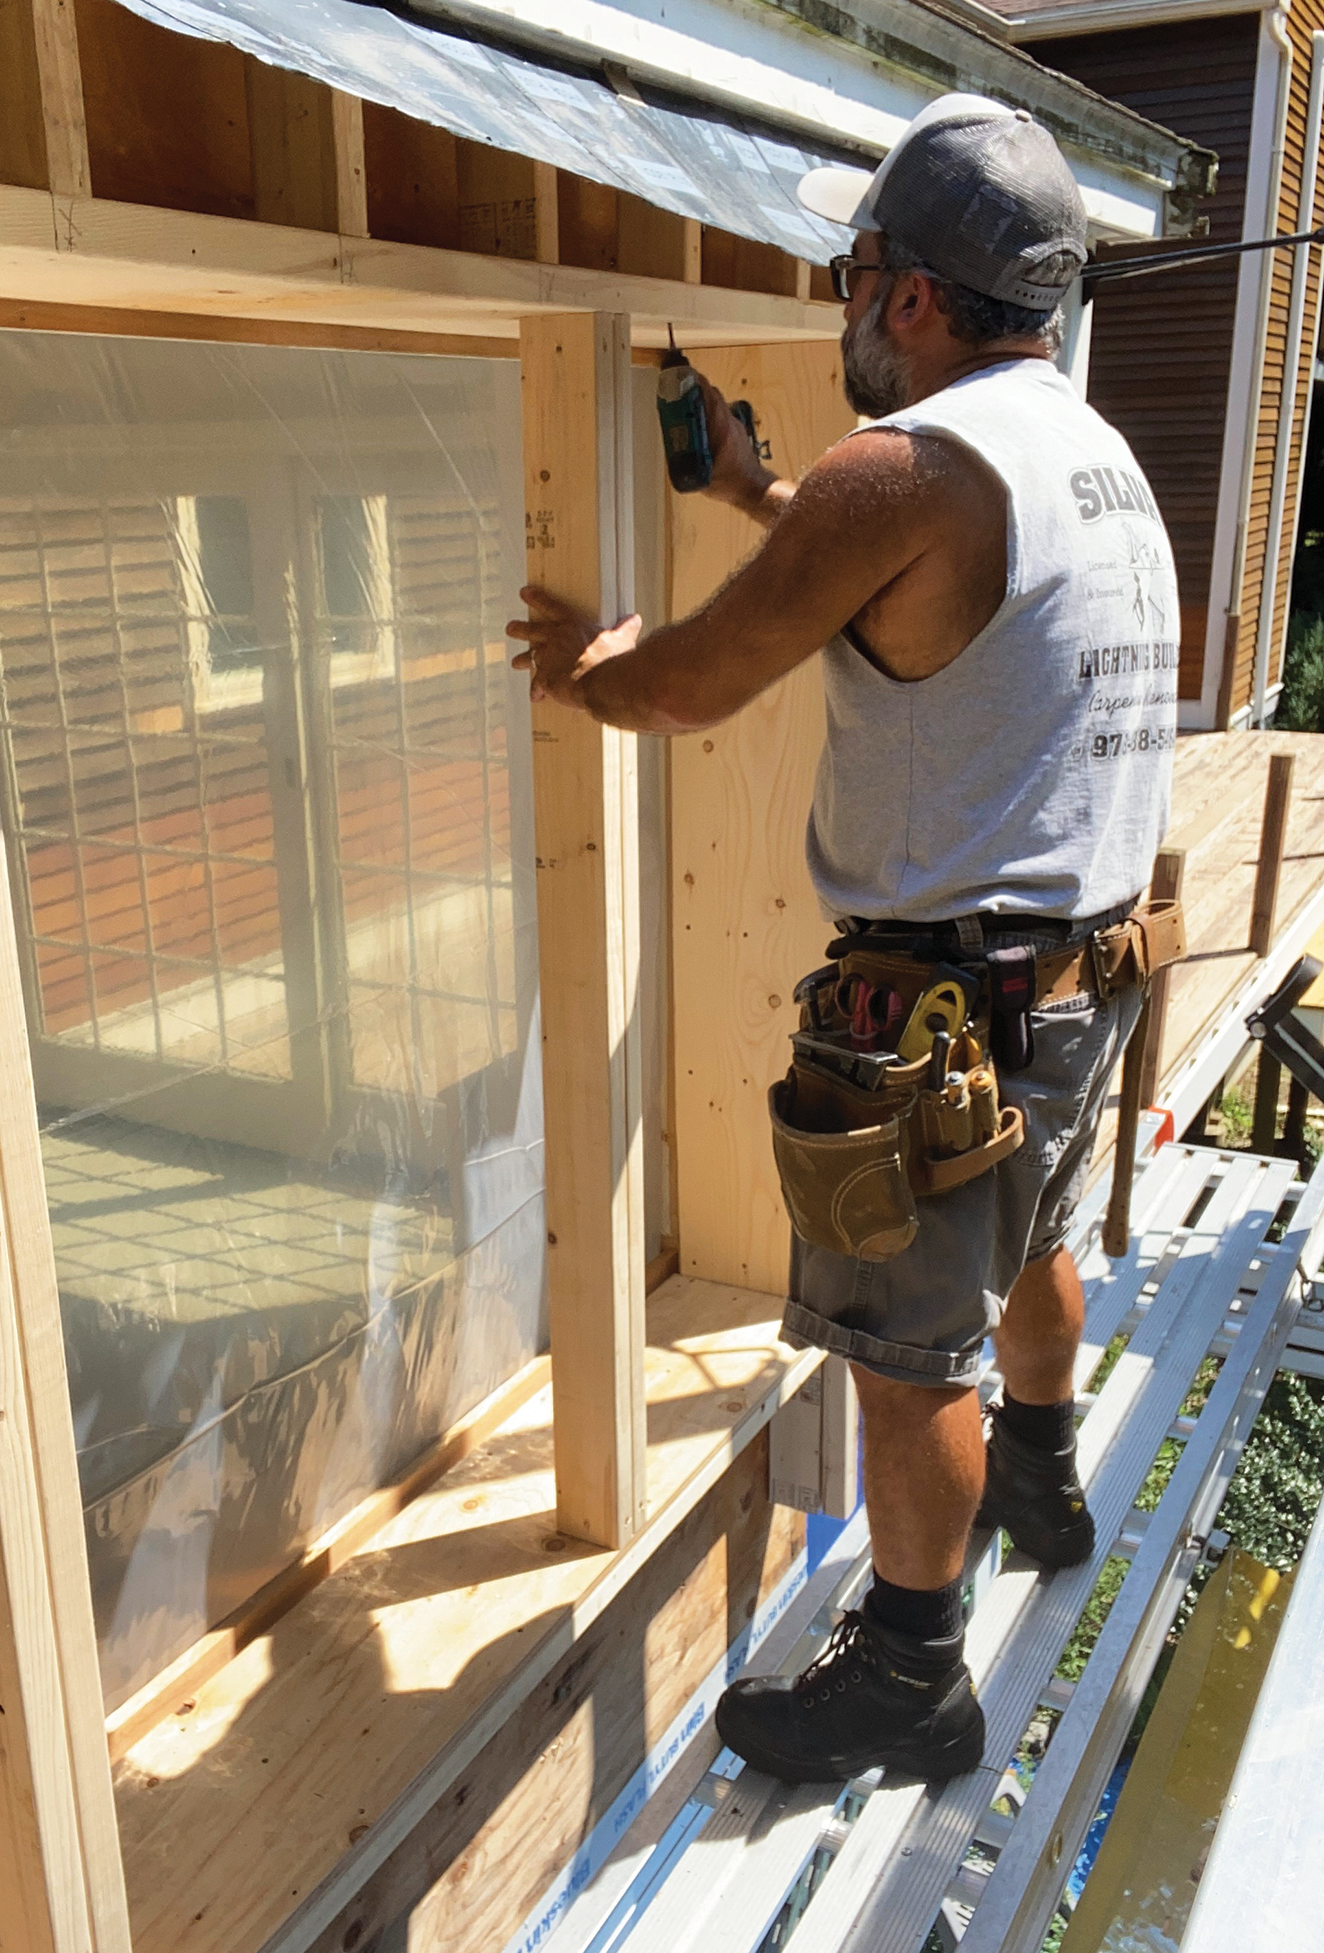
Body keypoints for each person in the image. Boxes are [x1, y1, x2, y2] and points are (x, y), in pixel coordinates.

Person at [507, 93, 1179, 1785]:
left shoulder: (906, 471)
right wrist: (758, 496)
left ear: (918, 297)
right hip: (1081, 979)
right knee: (1020, 1246)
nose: (843, 309)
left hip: (948, 1009)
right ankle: (1040, 1470)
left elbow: (687, 685)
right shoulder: (1081, 449)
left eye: (856, 274)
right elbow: (916, 571)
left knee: (901, 1357)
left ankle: (912, 1679)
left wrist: (586, 663)